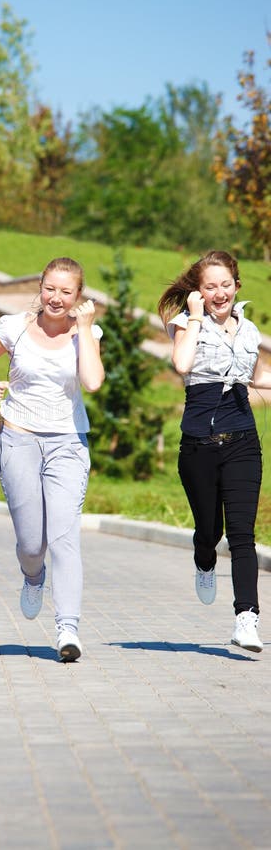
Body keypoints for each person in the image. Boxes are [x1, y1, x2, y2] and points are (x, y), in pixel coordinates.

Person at [0, 257, 105, 662]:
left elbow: (93, 382)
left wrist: (83, 330)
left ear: (79, 297)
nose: (56, 298)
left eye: (66, 292)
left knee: (64, 537)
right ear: (40, 287)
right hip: (19, 440)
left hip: (68, 444)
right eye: (50, 288)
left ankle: (68, 628)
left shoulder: (87, 333)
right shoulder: (15, 327)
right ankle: (32, 576)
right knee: (32, 543)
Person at [158, 249, 271, 652]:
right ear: (198, 291)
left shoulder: (249, 328)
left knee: (242, 534)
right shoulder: (184, 324)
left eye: (226, 284)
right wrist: (191, 314)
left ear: (237, 286)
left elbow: (257, 376)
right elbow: (183, 365)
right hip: (199, 446)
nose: (219, 293)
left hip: (242, 439)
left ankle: (246, 618)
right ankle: (203, 558)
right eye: (210, 287)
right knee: (211, 530)